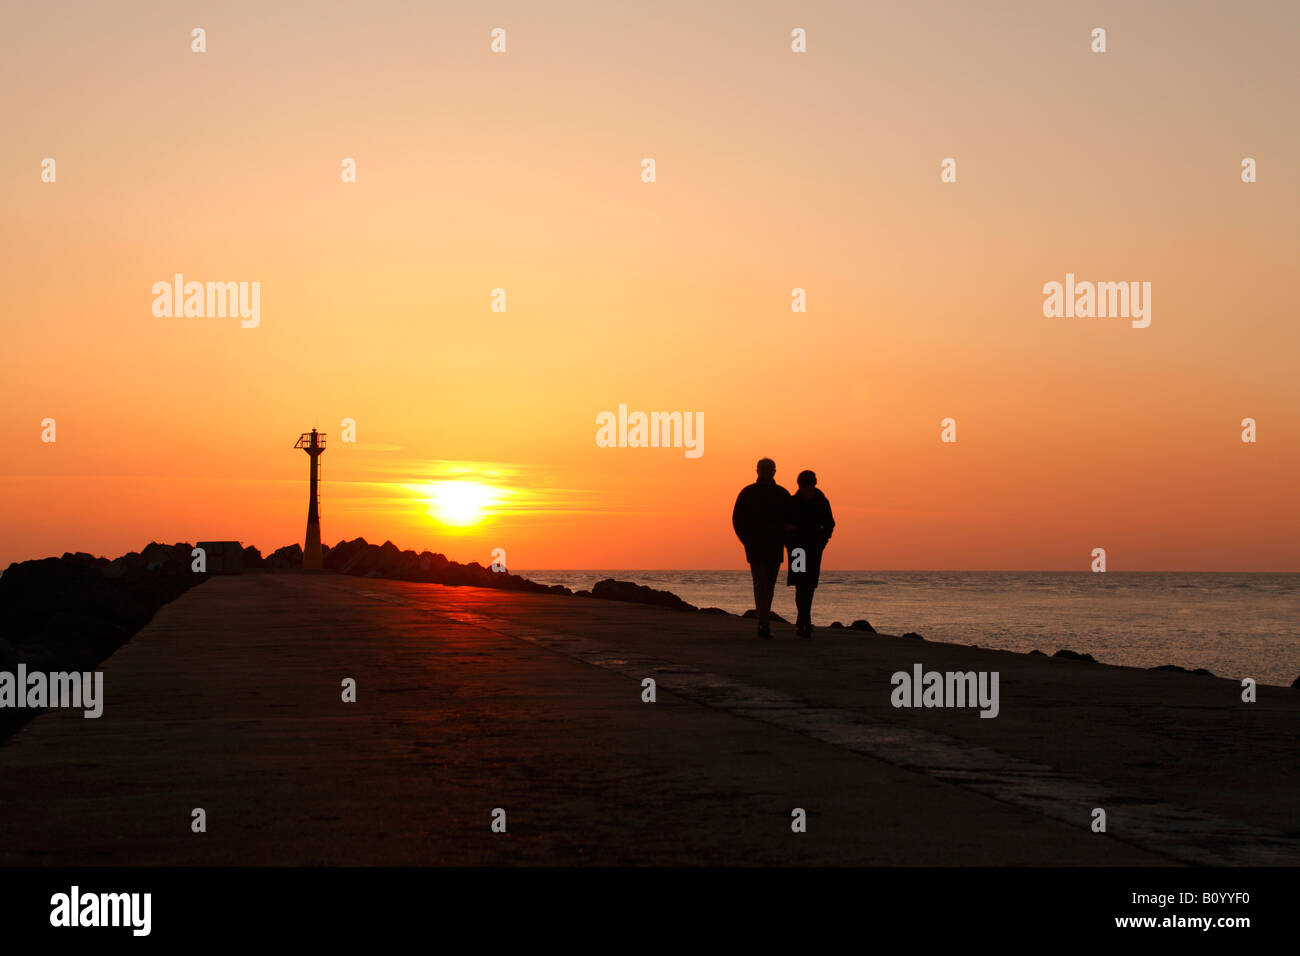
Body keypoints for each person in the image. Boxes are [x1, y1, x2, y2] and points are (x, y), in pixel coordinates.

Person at [732, 458, 791, 639]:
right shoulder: (748, 493)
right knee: (760, 584)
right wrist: (747, 542)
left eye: (770, 469)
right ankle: (763, 623)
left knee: (770, 586)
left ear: (775, 471)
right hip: (756, 547)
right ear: (757, 470)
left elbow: (792, 519)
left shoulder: (782, 494)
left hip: (775, 547)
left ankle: (763, 620)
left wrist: (787, 539)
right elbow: (737, 520)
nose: (766, 471)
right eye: (763, 469)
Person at [785, 469, 835, 639]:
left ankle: (803, 621)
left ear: (814, 484)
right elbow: (785, 525)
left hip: (813, 548)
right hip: (797, 549)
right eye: (804, 485)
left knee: (809, 585)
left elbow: (829, 524)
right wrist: (790, 541)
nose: (806, 489)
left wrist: (821, 542)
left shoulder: (821, 501)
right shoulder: (793, 502)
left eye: (809, 485)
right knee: (801, 585)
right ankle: (804, 622)